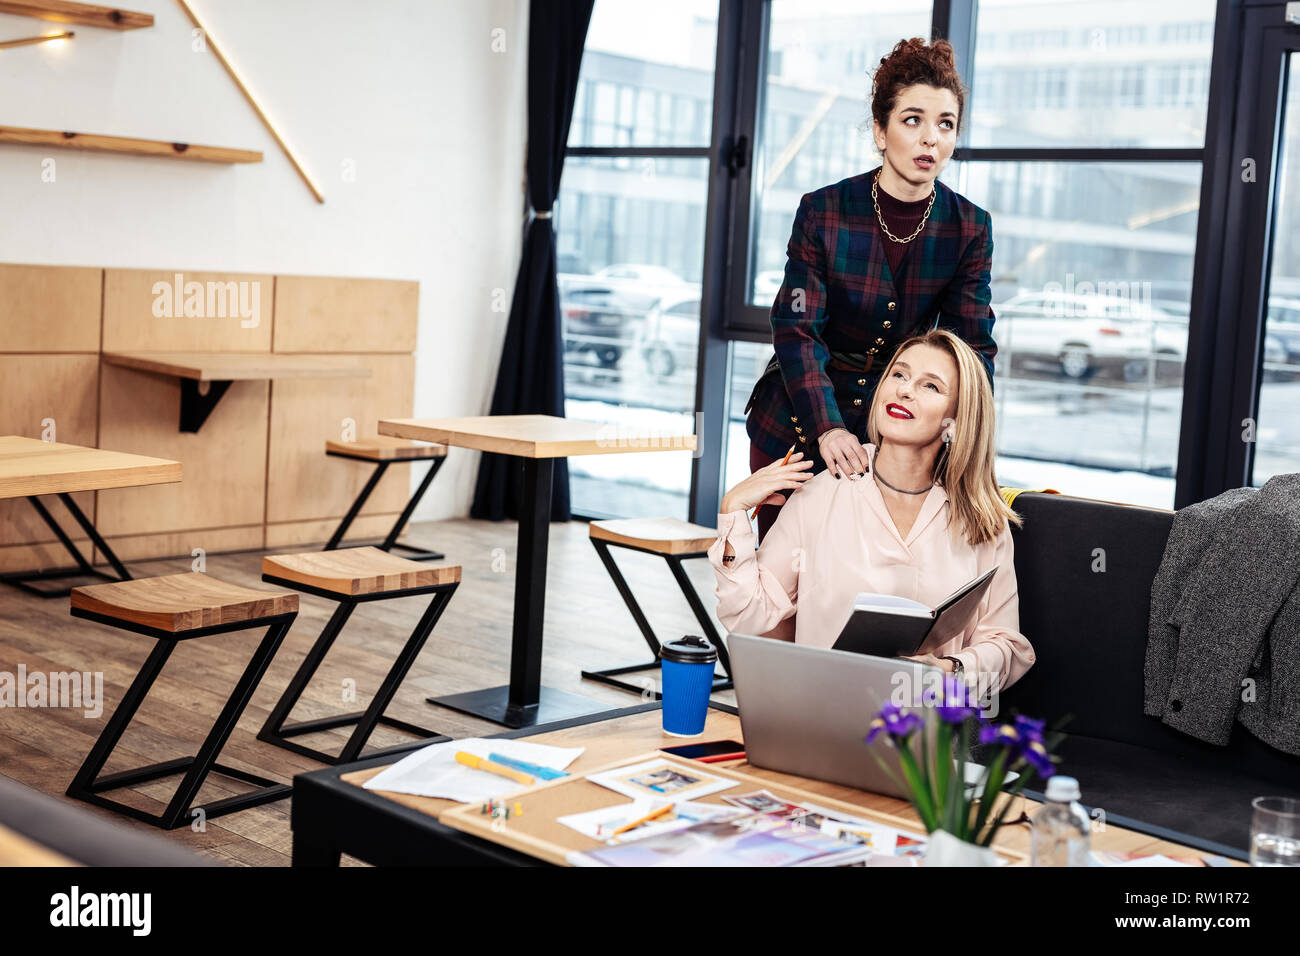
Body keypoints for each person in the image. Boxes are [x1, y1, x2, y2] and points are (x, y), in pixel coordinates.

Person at [745, 37, 998, 542]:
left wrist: (958, 422)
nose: (930, 139)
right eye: (912, 120)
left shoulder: (969, 226)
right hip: (797, 420)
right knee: (784, 588)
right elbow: (797, 329)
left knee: (863, 583)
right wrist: (828, 427)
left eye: (945, 124)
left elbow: (971, 347)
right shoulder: (823, 211)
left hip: (894, 434)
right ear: (880, 132)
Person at [713, 329, 1034, 692]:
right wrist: (733, 510)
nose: (905, 390)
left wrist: (949, 671)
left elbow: (1009, 648)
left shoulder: (982, 520)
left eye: (931, 386)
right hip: (826, 722)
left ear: (956, 422)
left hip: (928, 733)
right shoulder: (820, 495)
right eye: (899, 374)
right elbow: (746, 616)